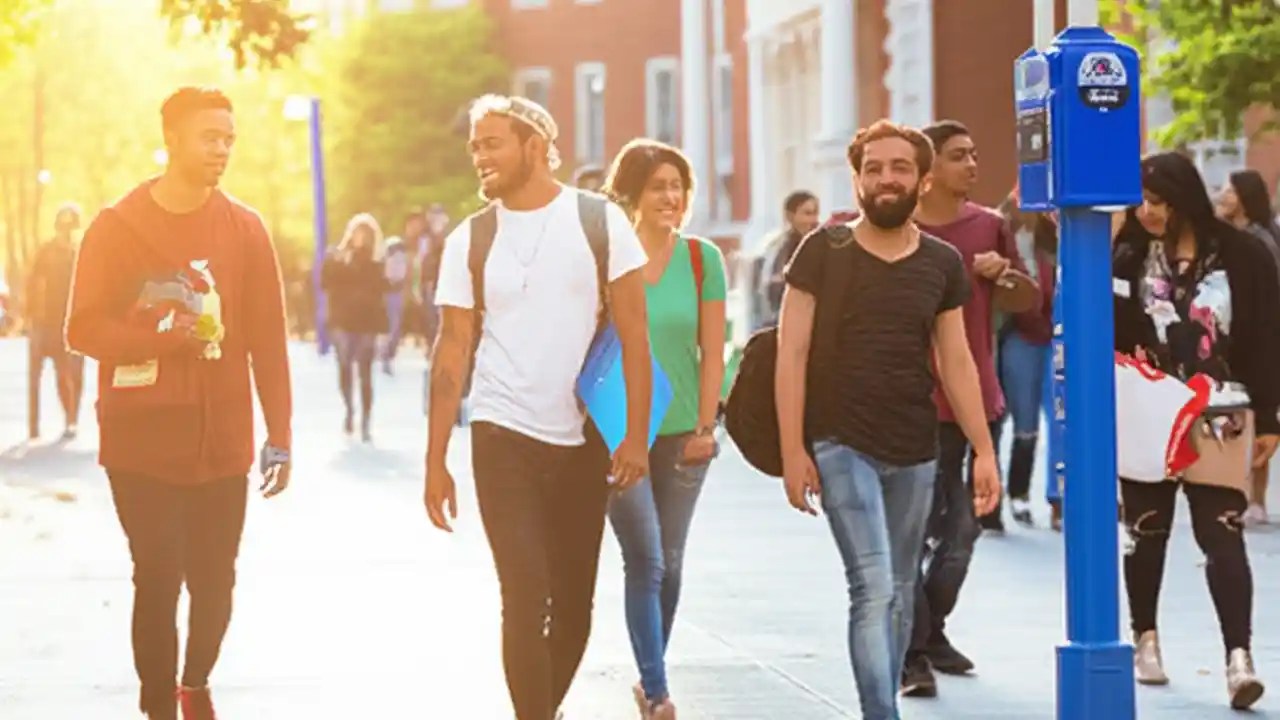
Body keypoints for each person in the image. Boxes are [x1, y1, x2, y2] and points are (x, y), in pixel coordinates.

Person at [64, 86, 292, 720]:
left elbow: (270, 342)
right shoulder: (117, 227)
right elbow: (80, 329)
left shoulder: (245, 230)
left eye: (228, 139)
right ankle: (158, 704)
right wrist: (162, 338)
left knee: (215, 582)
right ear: (171, 139)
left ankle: (195, 680)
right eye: (208, 137)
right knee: (158, 576)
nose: (221, 149)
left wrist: (281, 435)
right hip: (141, 441)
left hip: (223, 442)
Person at [422, 94, 652, 720]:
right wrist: (435, 458)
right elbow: (452, 353)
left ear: (533, 144)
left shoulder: (599, 221)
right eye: (474, 145)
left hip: (583, 440)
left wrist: (635, 436)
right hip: (501, 433)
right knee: (524, 594)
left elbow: (636, 333)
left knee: (574, 601)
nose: (480, 156)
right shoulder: (470, 239)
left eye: (491, 142)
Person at [776, 119, 1001, 720]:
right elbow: (790, 353)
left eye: (899, 168)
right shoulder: (822, 252)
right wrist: (791, 450)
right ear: (856, 180)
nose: (885, 179)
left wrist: (983, 449)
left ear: (921, 181)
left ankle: (888, 690)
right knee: (873, 586)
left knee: (901, 593)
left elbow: (956, 361)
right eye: (872, 169)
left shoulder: (941, 262)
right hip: (838, 438)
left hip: (914, 447)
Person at [1114, 152, 1280, 709]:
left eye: (1156, 201)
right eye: (1139, 200)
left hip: (1220, 411)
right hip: (1148, 408)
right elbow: (1104, 321)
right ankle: (1146, 639)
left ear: (1182, 198)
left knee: (1222, 531)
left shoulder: (1242, 254)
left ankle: (1239, 658)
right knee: (1146, 528)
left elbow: (1266, 336)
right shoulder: (1129, 253)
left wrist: (1271, 417)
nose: (1146, 211)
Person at [901, 120, 1036, 697]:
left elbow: (1030, 306)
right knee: (911, 530)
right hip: (907, 403)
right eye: (960, 156)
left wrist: (1002, 273)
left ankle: (927, 630)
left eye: (974, 153)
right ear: (929, 171)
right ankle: (912, 651)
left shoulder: (990, 226)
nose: (973, 164)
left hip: (972, 399)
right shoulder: (898, 227)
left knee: (964, 528)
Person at [600, 138, 728, 720]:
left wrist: (707, 425)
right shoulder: (606, 256)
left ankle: (651, 673)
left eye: (678, 186)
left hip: (682, 435)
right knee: (646, 559)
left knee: (669, 565)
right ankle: (657, 692)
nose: (670, 197)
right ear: (631, 193)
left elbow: (712, 351)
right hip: (620, 436)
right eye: (658, 187)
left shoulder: (703, 260)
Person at [1216, 169, 1280, 525]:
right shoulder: (1239, 238)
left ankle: (1252, 496)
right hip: (1246, 336)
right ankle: (1247, 495)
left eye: (1229, 189)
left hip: (1260, 335)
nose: (1223, 194)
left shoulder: (1259, 242)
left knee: (1255, 411)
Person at [995, 192, 1058, 528]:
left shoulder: (1054, 241)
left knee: (1058, 417)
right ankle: (1017, 495)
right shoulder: (1002, 235)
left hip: (1053, 334)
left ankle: (1051, 497)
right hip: (1020, 334)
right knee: (1024, 419)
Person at [322, 212, 393, 442]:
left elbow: (383, 292)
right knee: (344, 369)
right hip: (343, 321)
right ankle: (349, 410)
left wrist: (384, 329)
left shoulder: (377, 262)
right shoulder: (338, 258)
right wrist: (333, 262)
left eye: (365, 233)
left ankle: (365, 420)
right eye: (356, 232)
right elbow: (325, 284)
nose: (360, 237)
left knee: (365, 373)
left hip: (367, 322)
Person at [26, 202, 85, 441]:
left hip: (73, 321)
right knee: (45, 375)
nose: (67, 232)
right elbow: (33, 283)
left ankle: (72, 419)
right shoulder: (46, 252)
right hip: (47, 321)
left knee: (73, 375)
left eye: (71, 228)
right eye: (63, 227)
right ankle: (34, 426)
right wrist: (31, 315)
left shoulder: (81, 252)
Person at [748, 190, 819, 332]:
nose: (813, 220)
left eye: (815, 213)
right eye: (807, 213)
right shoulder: (776, 248)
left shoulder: (821, 244)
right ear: (790, 216)